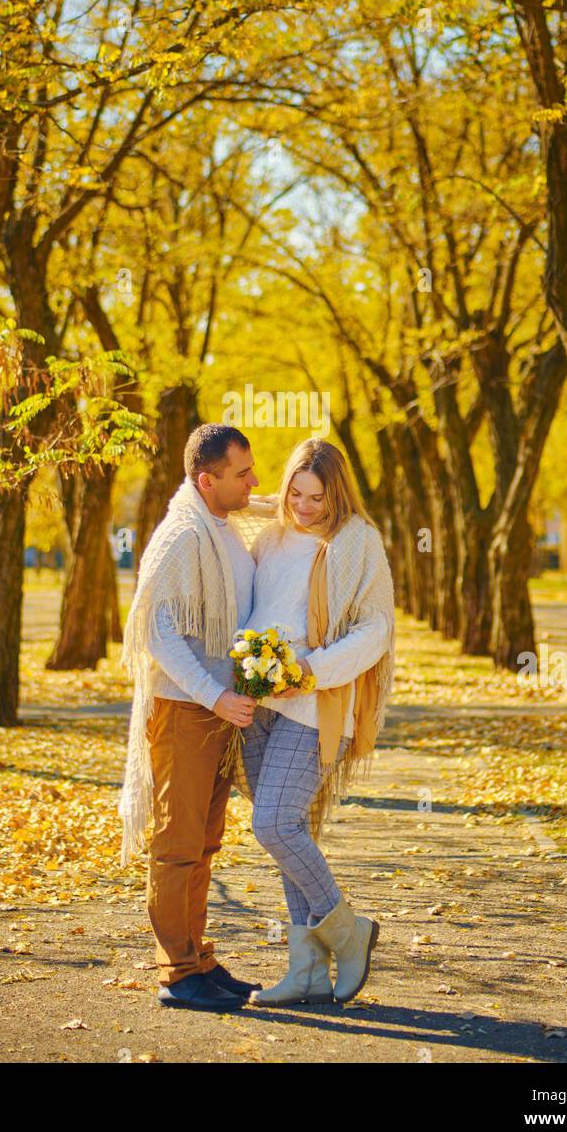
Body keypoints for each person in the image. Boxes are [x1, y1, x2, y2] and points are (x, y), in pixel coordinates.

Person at [238, 438, 395, 1006]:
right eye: (295, 494)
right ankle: (305, 970)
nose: (304, 506)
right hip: (257, 701)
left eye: (317, 497)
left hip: (314, 701)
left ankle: (348, 932)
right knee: (289, 836)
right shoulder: (272, 535)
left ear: (338, 494)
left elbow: (374, 630)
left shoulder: (357, 541)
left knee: (275, 824)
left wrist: (309, 669)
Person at [117, 423, 263, 1013]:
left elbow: (268, 506)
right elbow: (158, 632)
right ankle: (175, 972)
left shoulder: (223, 524)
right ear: (207, 480)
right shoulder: (181, 537)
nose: (254, 481)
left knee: (205, 841)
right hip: (185, 709)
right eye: (242, 473)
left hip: (217, 711)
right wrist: (215, 696)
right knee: (177, 843)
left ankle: (198, 956)